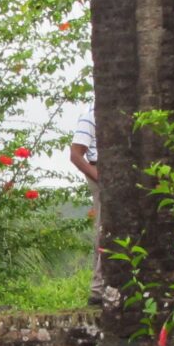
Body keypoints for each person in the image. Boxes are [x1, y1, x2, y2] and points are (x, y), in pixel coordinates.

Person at [69, 106, 102, 306]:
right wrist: (99, 177)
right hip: (99, 170)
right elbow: (75, 154)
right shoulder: (90, 117)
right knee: (105, 227)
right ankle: (98, 289)